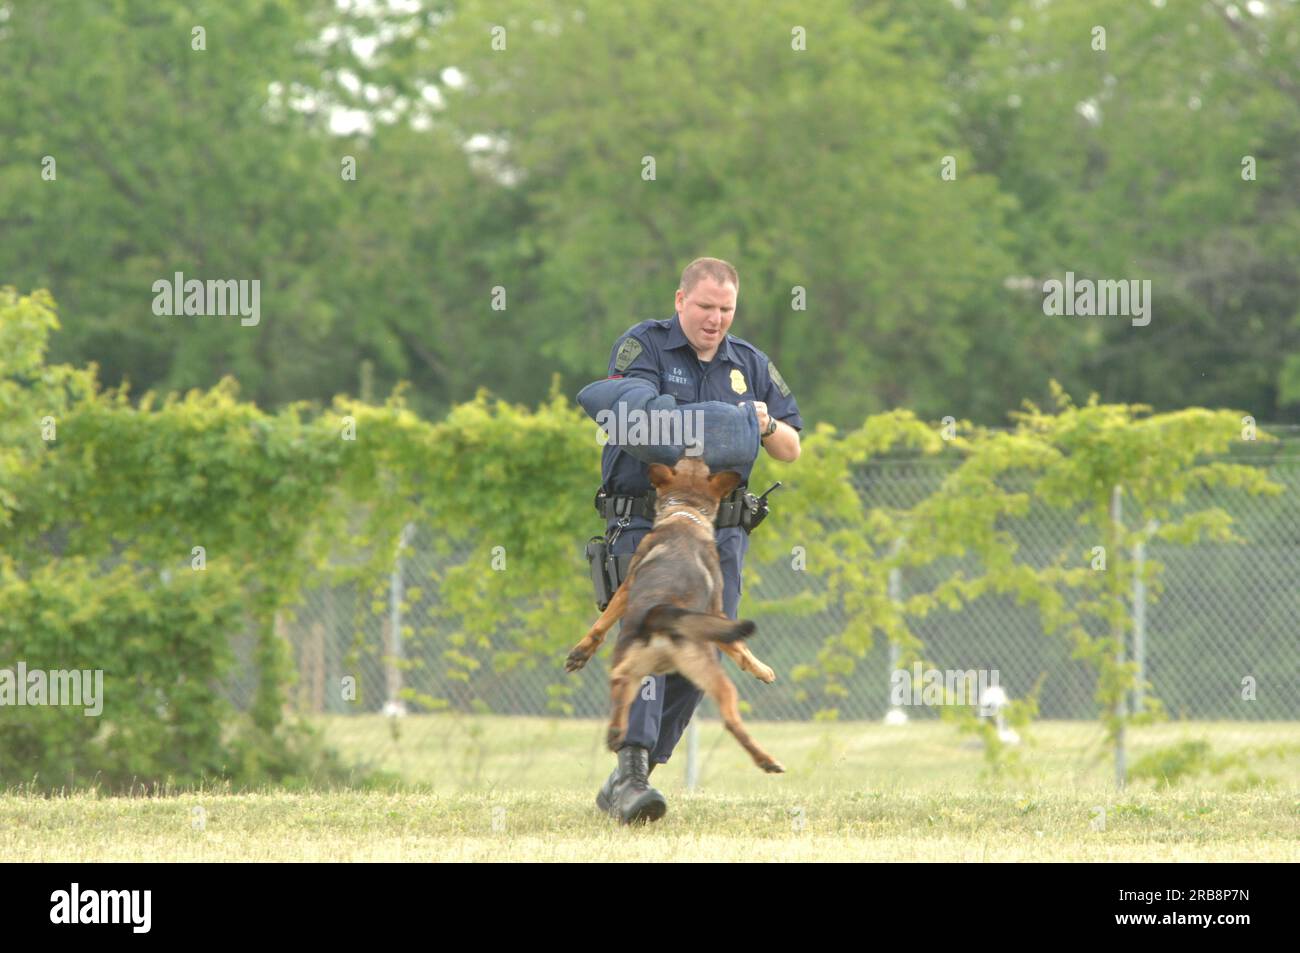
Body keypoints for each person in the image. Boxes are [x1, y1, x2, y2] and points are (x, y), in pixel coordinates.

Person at [592, 256, 803, 823]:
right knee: (653, 637)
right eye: (706, 307)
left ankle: (634, 774)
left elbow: (790, 446)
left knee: (698, 648)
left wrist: (759, 424)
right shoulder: (645, 347)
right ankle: (632, 774)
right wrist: (710, 420)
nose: (715, 320)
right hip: (647, 521)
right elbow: (632, 415)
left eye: (726, 309)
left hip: (721, 534)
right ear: (680, 300)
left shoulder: (750, 363)